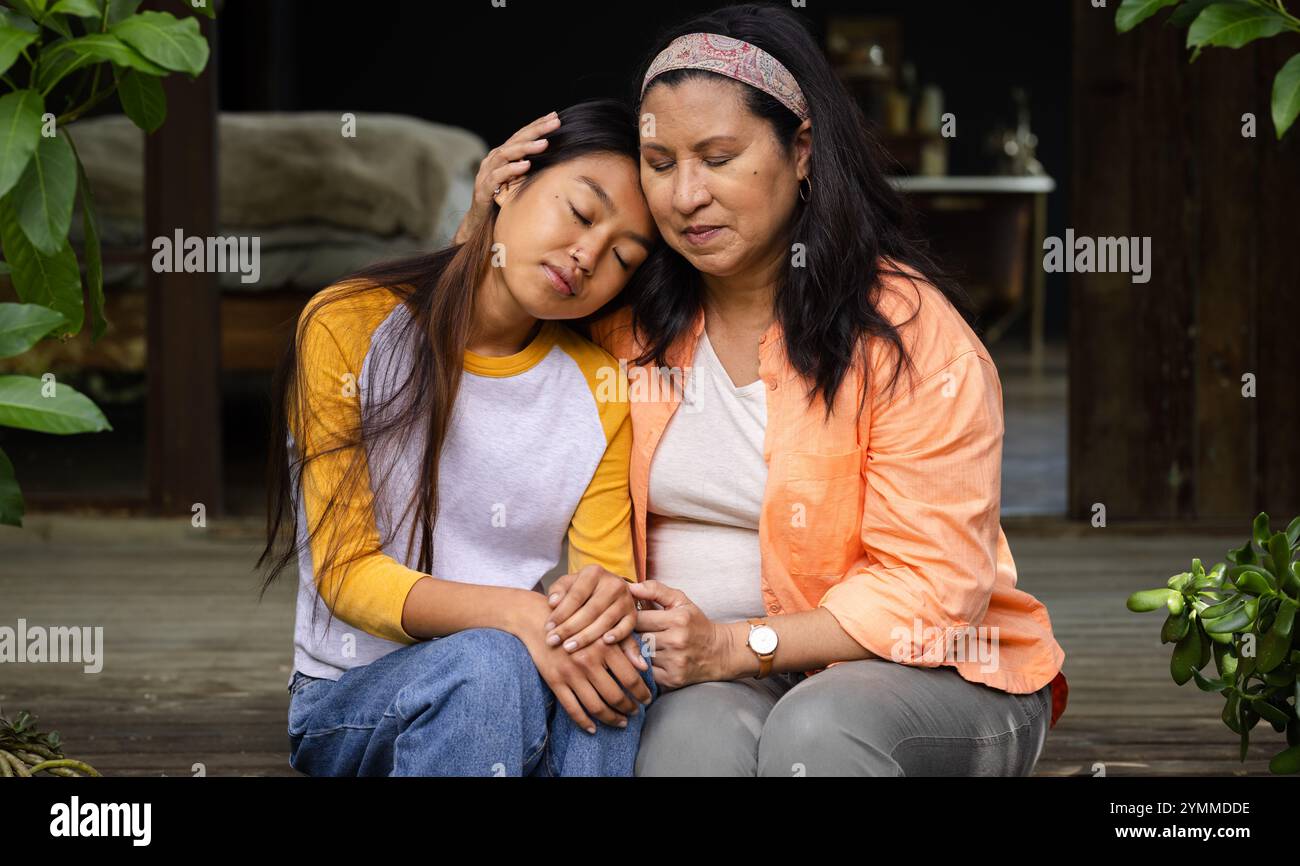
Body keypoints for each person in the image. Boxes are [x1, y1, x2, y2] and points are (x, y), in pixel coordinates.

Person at [456, 5, 1069, 776]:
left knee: (816, 733)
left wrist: (736, 644)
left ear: (801, 151)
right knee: (685, 748)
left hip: (931, 673)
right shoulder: (626, 318)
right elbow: (462, 367)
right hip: (701, 673)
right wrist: (484, 224)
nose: (684, 196)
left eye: (718, 157)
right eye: (661, 161)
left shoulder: (908, 335)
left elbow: (934, 590)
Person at [257, 99, 662, 776]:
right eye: (581, 213)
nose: (589, 256)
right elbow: (347, 575)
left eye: (624, 256)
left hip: (523, 677)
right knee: (486, 663)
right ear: (507, 182)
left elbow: (602, 575)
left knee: (619, 662)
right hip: (354, 696)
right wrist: (518, 616)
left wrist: (602, 602)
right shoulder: (347, 326)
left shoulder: (599, 385)